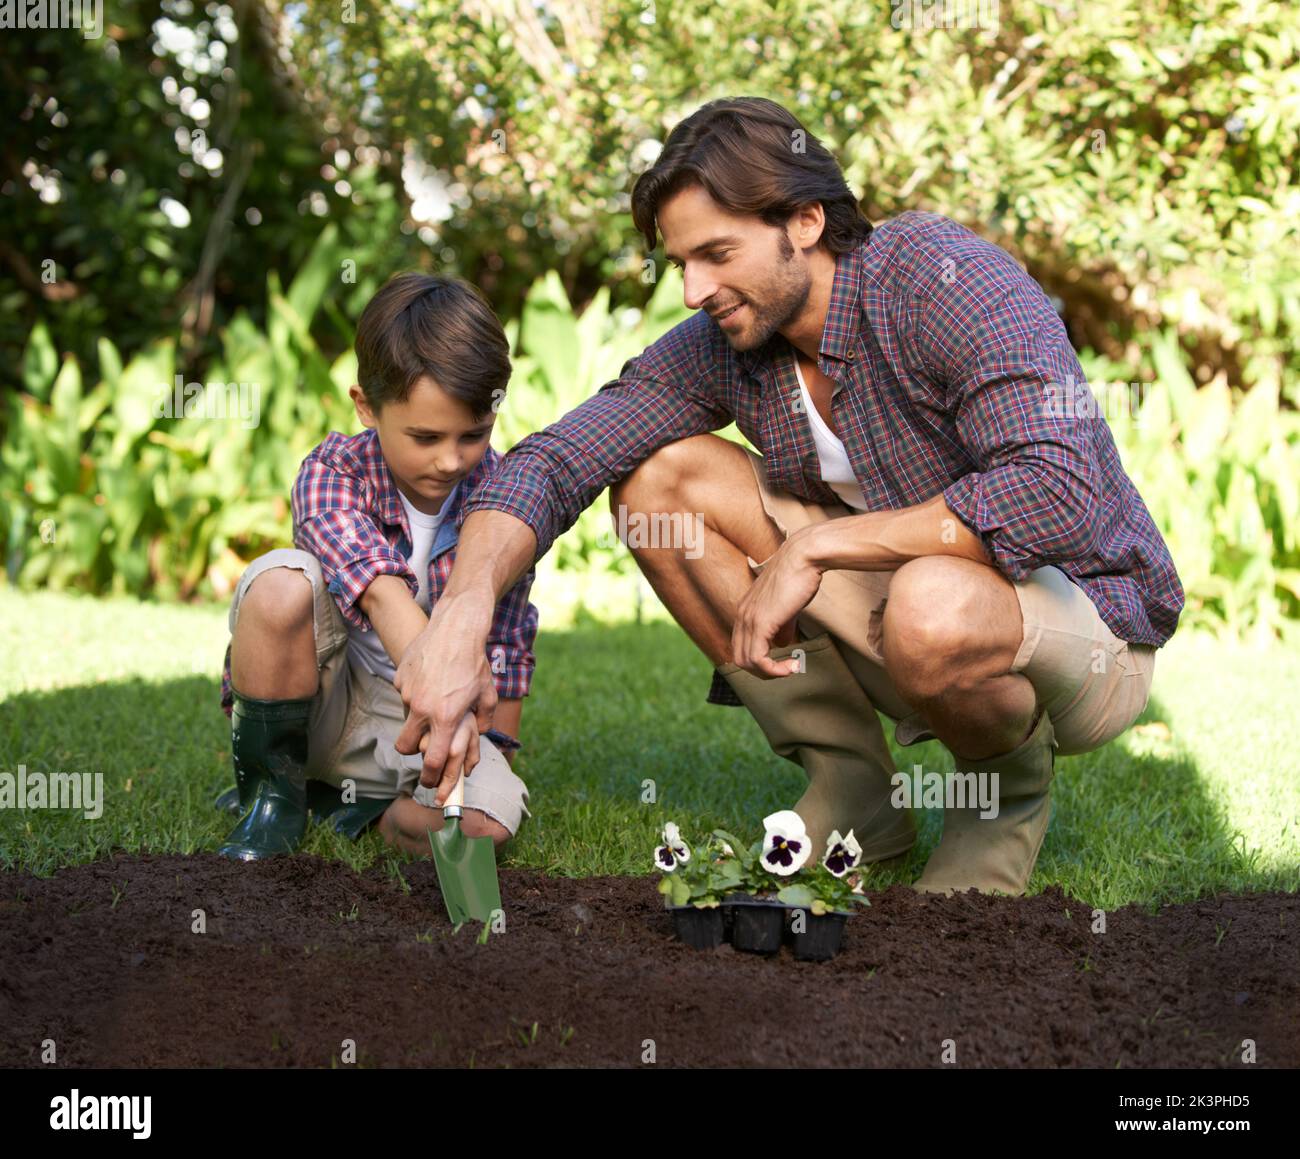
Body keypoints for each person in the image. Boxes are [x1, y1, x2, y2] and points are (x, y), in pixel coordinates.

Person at [390, 97, 1185, 897]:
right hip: (909, 602)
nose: (696, 288)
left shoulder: (939, 278)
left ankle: (1000, 795)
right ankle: (854, 789)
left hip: (1086, 626)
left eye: (717, 253)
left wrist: (817, 546)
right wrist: (461, 616)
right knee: (656, 481)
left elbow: (1054, 489)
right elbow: (557, 460)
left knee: (931, 600)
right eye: (681, 264)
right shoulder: (732, 345)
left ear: (805, 220)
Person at [213, 272, 537, 861]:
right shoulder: (333, 472)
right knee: (280, 582)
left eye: (474, 435)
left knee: (483, 829)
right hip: (321, 704)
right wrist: (440, 685)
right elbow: (381, 593)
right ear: (367, 406)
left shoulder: (502, 497)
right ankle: (272, 799)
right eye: (425, 436)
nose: (450, 459)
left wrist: (490, 752)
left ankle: (360, 812)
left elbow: (509, 638)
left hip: (417, 732)